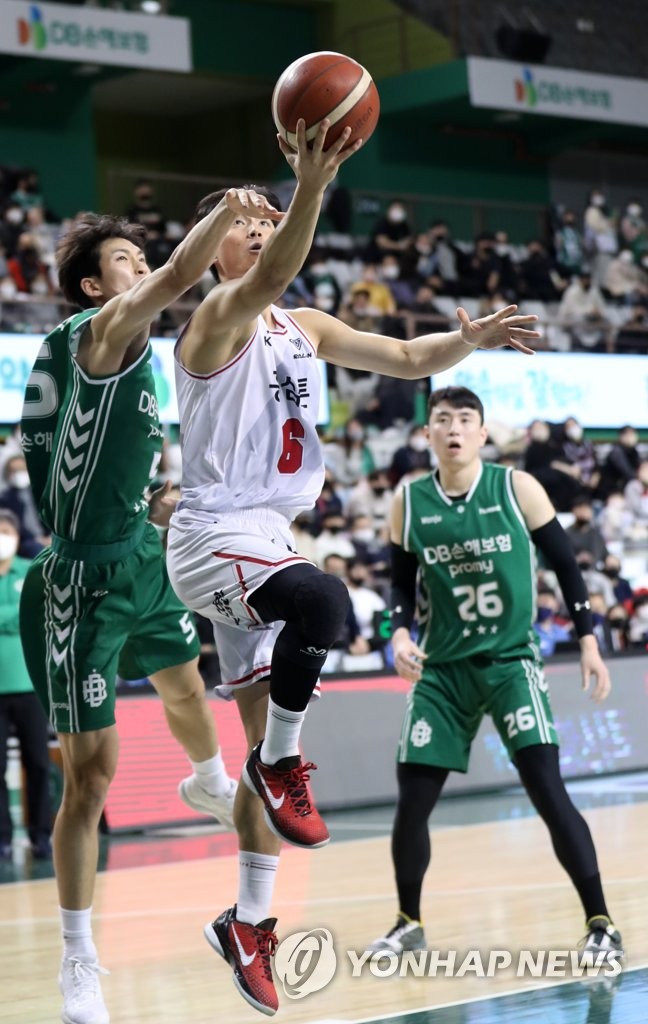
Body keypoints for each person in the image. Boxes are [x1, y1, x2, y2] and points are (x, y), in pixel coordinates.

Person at [165, 116, 539, 1016]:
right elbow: (276, 271)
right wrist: (312, 181)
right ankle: (283, 767)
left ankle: (251, 922)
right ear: (209, 253)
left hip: (267, 534)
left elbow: (410, 356)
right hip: (216, 533)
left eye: (265, 215)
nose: (257, 223)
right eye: (240, 220)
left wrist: (469, 343)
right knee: (326, 603)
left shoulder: (304, 324)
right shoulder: (218, 317)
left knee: (269, 725)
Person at [17, 188, 280, 1024]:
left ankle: (204, 782)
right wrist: (231, 215)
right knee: (90, 782)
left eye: (138, 258)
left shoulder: (126, 356)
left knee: (183, 682)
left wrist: (156, 506)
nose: (140, 272)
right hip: (78, 584)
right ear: (96, 289)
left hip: (135, 550)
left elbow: (108, 462)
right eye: (122, 263)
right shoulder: (98, 334)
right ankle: (79, 959)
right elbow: (174, 274)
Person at [368, 385, 622, 968]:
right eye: (441, 420)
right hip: (444, 671)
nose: (453, 428)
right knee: (412, 801)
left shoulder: (516, 488)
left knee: (547, 789)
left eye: (464, 420)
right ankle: (409, 922)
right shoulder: (408, 502)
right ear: (427, 434)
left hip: (511, 663)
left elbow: (565, 565)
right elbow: (399, 587)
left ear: (482, 434)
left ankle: (600, 921)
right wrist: (399, 634)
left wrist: (588, 642)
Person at [0, 508, 52, 861]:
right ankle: (3, 838)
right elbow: (19, 614)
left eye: (6, 529)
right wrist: (13, 615)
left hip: (30, 685)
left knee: (38, 762)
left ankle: (42, 836)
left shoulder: (29, 572)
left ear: (17, 536)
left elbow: (36, 612)